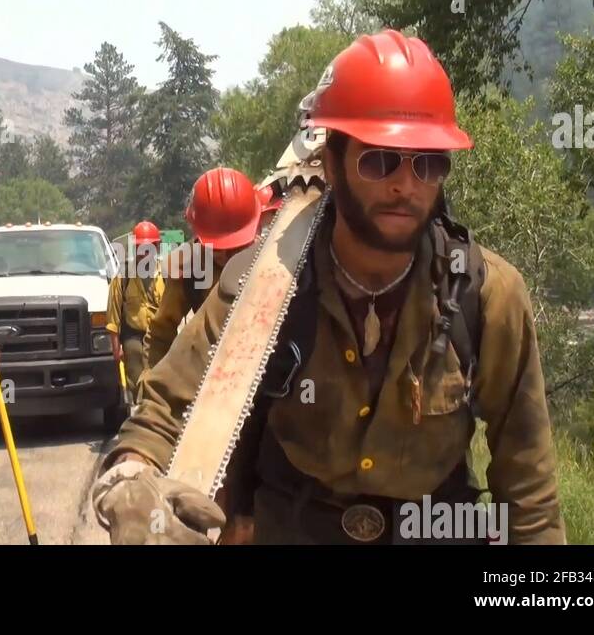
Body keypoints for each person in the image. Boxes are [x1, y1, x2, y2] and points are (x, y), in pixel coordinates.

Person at [92, 29, 565, 545]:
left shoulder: (485, 295)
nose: (405, 184)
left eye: (428, 162)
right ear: (332, 161)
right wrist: (131, 481)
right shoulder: (263, 286)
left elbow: (529, 487)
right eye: (378, 159)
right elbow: (165, 410)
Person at [142, 167, 262, 370]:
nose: (226, 256)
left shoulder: (271, 258)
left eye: (236, 247)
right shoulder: (186, 267)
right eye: (218, 248)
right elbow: (161, 334)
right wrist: (150, 390)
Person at [106, 221, 166, 392]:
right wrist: (116, 349)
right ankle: (141, 409)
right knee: (137, 383)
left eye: (150, 248)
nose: (145, 253)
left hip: (160, 336)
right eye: (141, 248)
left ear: (157, 246)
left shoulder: (167, 274)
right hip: (133, 337)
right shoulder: (123, 277)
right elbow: (113, 317)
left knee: (160, 383)